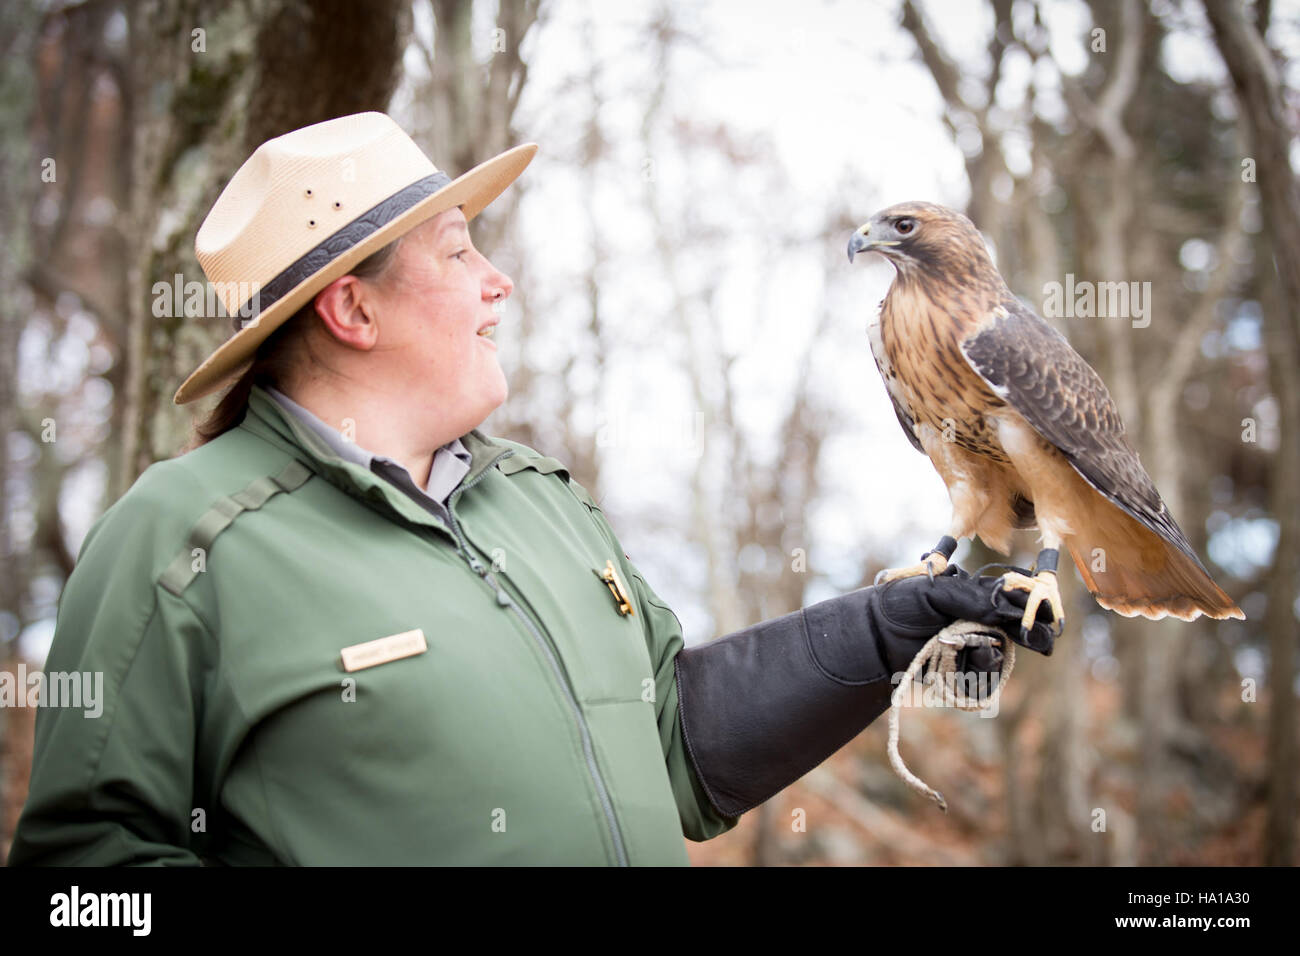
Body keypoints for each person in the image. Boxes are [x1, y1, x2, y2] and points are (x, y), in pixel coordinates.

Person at [7, 112, 1055, 866]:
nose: (497, 280)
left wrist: (890, 625)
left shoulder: (537, 499)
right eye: (460, 251)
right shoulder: (179, 538)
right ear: (352, 313)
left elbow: (676, 742)